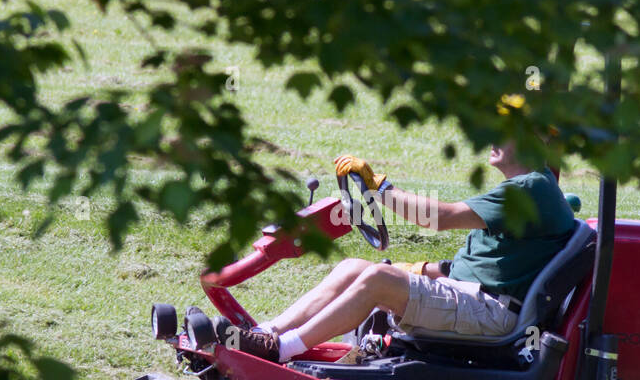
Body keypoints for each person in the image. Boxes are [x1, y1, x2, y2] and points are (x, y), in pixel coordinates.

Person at [223, 101, 576, 363]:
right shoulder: (531, 189)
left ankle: (283, 351)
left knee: (378, 279)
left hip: (493, 315)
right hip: (477, 300)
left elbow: (440, 217)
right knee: (353, 268)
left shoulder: (530, 189)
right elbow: (478, 266)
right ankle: (266, 334)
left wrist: (381, 188)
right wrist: (417, 269)